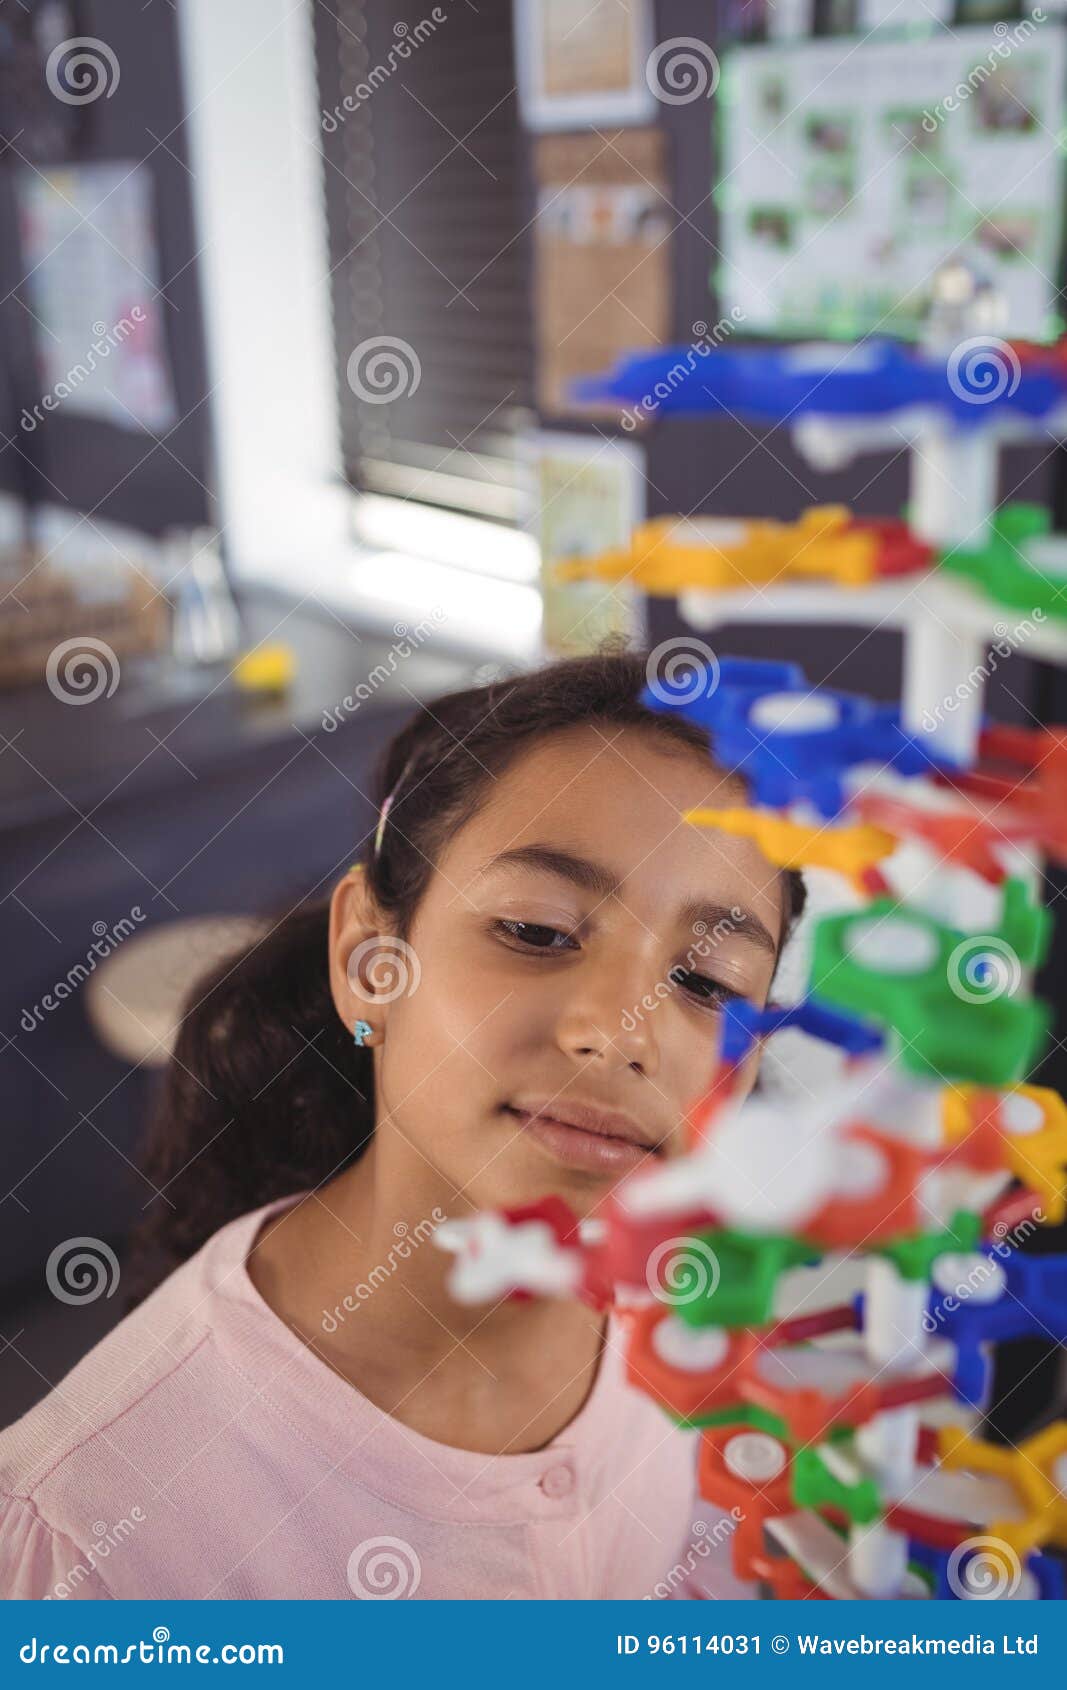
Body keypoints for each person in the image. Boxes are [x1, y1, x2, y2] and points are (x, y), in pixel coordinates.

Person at [0, 649, 803, 1599]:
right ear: (368, 960)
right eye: (538, 932)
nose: (622, 1033)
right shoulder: (92, 1539)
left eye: (707, 983)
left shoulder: (704, 1317)